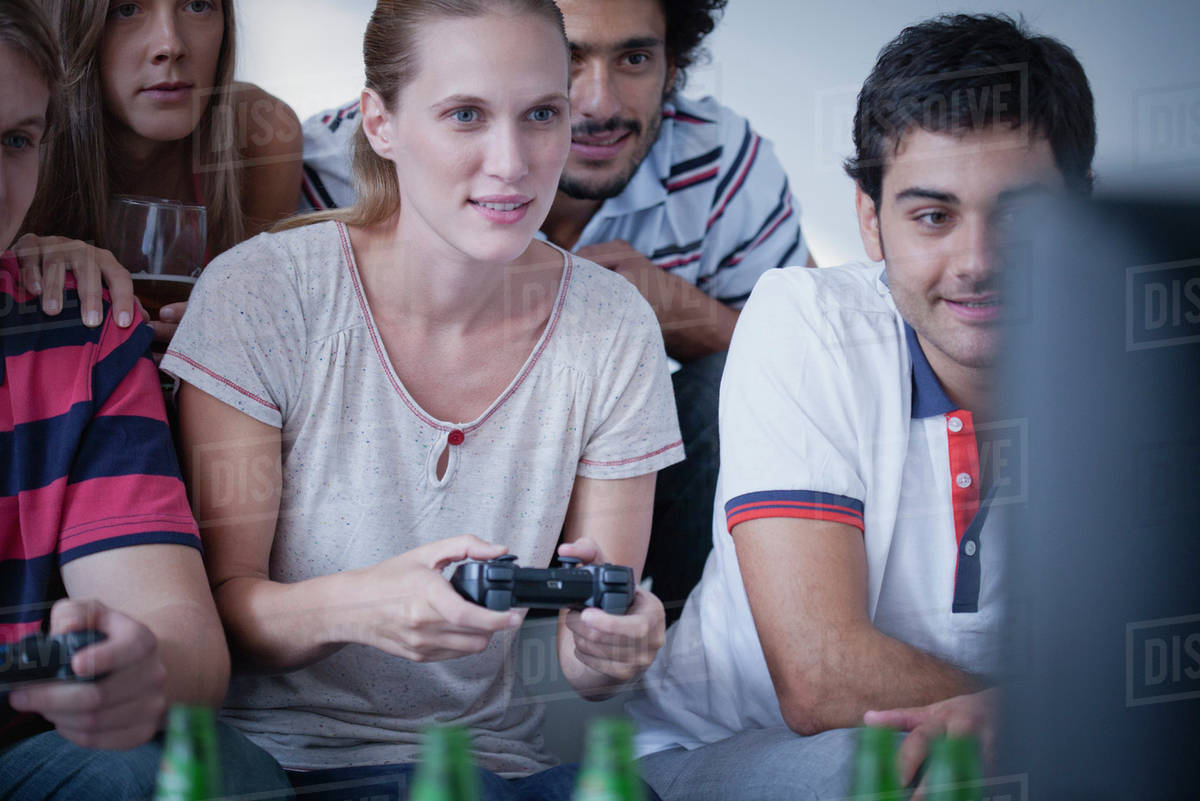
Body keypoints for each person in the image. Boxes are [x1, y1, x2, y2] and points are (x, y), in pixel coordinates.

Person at [161, 1, 682, 800]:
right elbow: (220, 615)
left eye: (541, 114)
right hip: (280, 763)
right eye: (465, 115)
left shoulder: (615, 327)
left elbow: (580, 668)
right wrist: (358, 608)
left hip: (494, 767)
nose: (511, 162)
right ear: (381, 123)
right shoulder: (264, 292)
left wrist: (612, 647)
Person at [627, 14, 1097, 800]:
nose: (978, 262)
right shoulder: (803, 321)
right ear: (870, 221)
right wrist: (1042, 716)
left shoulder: (1138, 358)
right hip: (719, 755)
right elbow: (819, 675)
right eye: (933, 216)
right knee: (953, 774)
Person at [300, 0, 812, 620]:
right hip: (393, 505)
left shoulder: (723, 161)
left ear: (673, 66)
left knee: (733, 386)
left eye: (634, 57)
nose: (598, 103)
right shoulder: (338, 164)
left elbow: (819, 376)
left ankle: (655, 645)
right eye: (568, 58)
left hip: (615, 501)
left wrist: (680, 312)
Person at [0, 1, 292, 798]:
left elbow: (182, 636)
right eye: (128, 10)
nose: (169, 45)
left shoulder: (77, 324)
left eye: (14, 141)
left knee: (218, 773)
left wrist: (139, 665)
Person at [16, 0, 303, 346]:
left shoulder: (259, 134)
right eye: (125, 9)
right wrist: (14, 266)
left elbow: (265, 330)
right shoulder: (14, 141)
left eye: (198, 6)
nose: (170, 45)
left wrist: (234, 340)